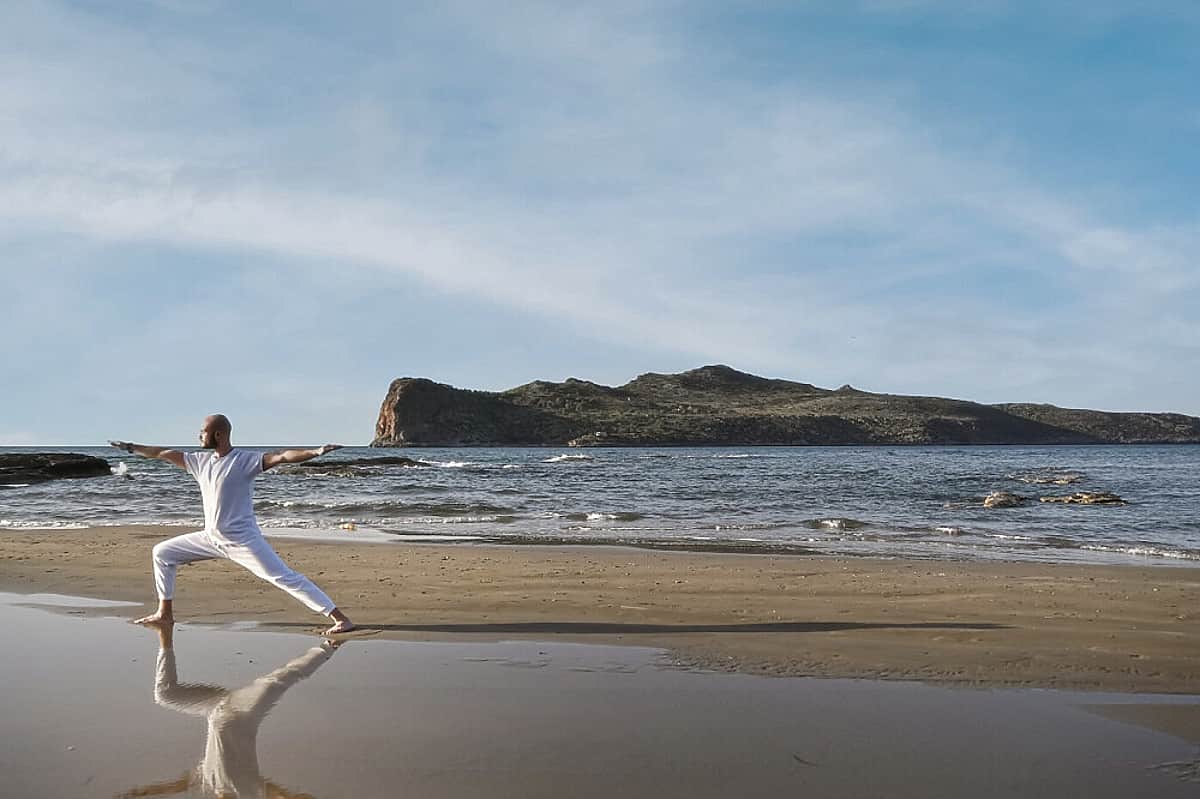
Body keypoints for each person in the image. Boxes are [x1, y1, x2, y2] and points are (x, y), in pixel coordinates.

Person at [110, 413, 355, 635]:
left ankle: (340, 619)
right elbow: (161, 453)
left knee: (283, 577)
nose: (198, 436)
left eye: (202, 432)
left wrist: (316, 451)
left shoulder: (244, 461)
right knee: (162, 553)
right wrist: (131, 447)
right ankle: (165, 615)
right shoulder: (199, 462)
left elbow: (282, 456)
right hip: (210, 538)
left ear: (218, 434)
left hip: (242, 540)